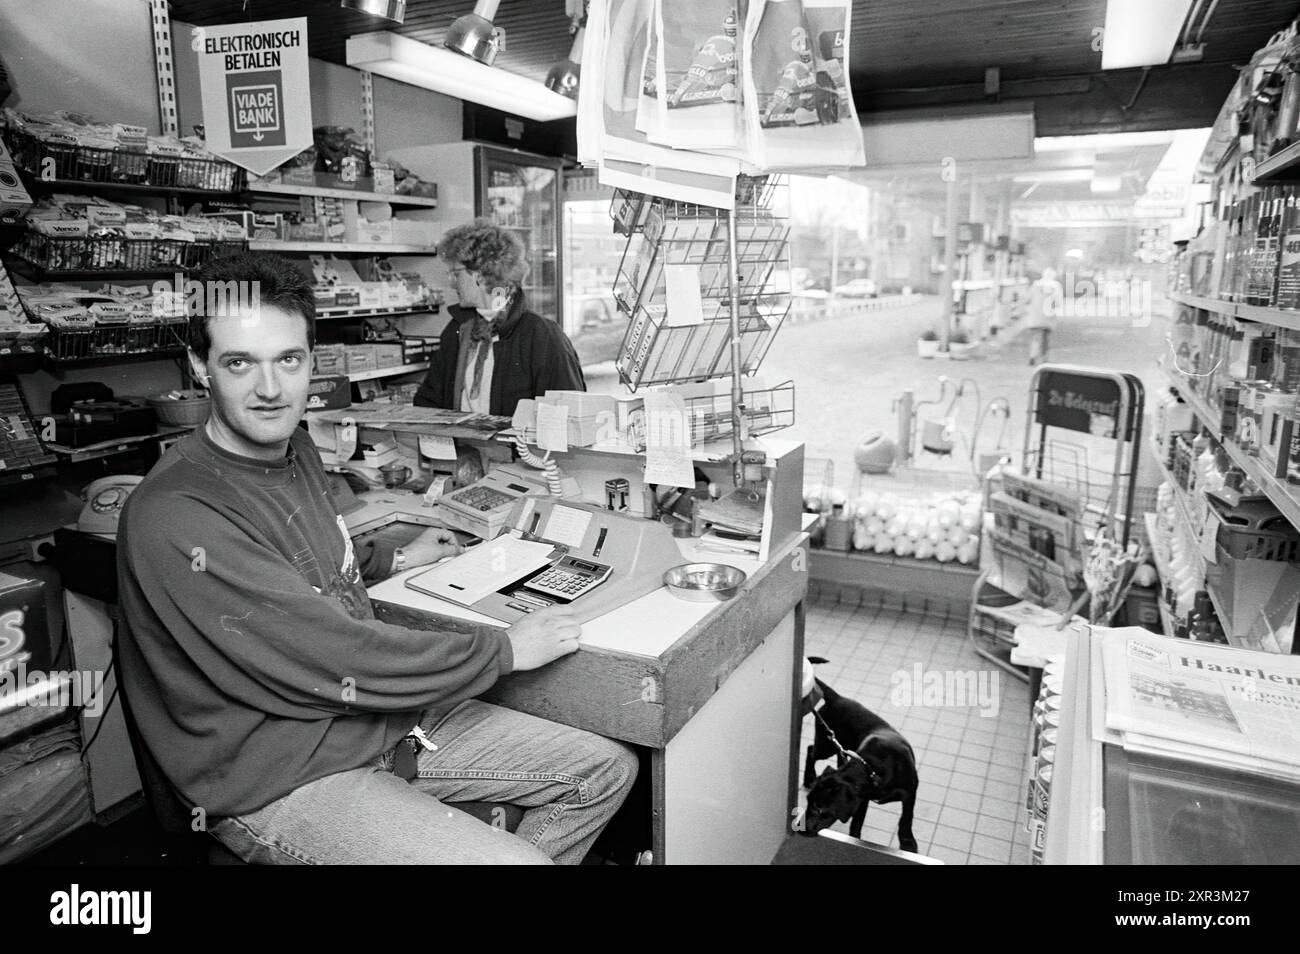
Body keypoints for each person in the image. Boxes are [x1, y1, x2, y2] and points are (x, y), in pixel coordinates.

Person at [116, 252, 637, 864]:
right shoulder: (178, 514)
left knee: (604, 770)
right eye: (239, 363)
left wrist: (388, 559)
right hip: (283, 775)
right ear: (199, 367)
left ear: (312, 358)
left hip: (379, 723)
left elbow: (303, 560)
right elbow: (327, 655)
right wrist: (506, 650)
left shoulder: (295, 448)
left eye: (290, 359)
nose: (270, 389)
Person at [413, 219, 586, 416]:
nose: (452, 283)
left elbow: (568, 414)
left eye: (456, 274)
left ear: (480, 274)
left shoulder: (542, 335)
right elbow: (428, 401)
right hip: (462, 446)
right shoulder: (457, 329)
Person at [1025, 267, 1062, 366]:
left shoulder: (1035, 285)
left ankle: (1033, 356)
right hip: (1048, 317)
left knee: (1036, 337)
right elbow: (1058, 303)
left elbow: (1027, 299)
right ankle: (1045, 358)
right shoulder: (1056, 286)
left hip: (1035, 316)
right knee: (1046, 338)